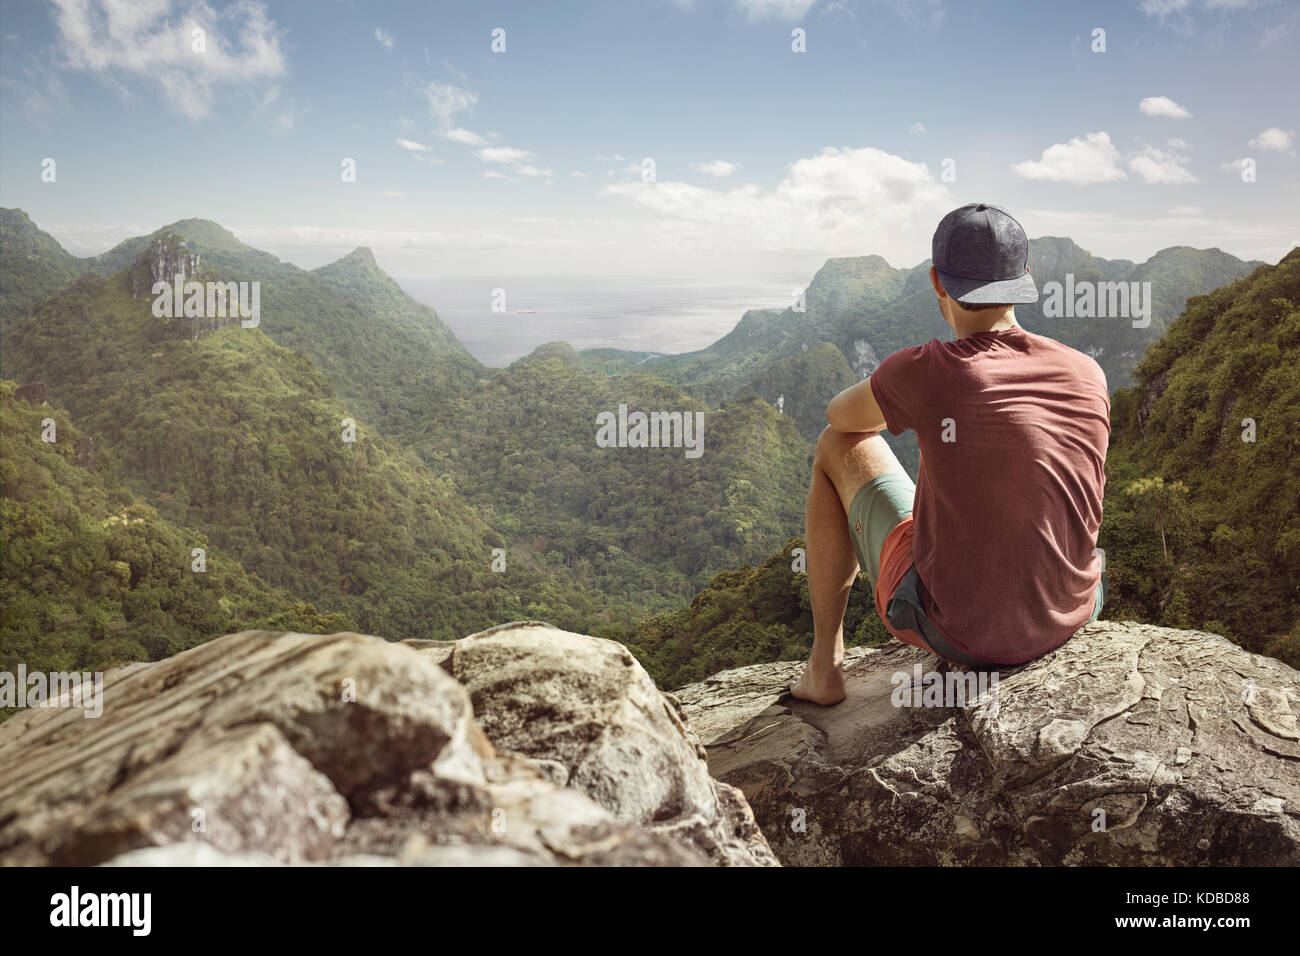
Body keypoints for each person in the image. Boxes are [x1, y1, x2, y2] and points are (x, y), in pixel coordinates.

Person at [791, 203, 1110, 705]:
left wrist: (908, 402)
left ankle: (824, 666)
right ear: (1023, 278)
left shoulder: (929, 369)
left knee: (834, 447)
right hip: (1071, 613)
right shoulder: (1088, 372)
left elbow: (840, 418)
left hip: (961, 634)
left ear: (938, 280)